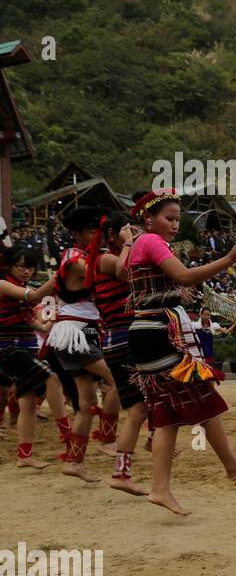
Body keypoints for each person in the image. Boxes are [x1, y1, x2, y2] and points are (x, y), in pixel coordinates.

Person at [126, 189, 236, 515]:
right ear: (148, 219)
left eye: (177, 219)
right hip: (158, 334)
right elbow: (185, 275)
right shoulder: (151, 243)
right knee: (203, 397)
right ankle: (230, 464)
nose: (174, 225)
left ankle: (161, 488)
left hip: (146, 333)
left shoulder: (138, 246)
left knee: (167, 417)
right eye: (168, 218)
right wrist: (229, 258)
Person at [46, 205, 120, 483]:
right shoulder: (75, 257)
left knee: (87, 402)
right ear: (75, 233)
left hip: (80, 331)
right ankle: (108, 439)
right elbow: (99, 270)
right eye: (92, 231)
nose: (97, 236)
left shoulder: (85, 254)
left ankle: (75, 461)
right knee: (118, 382)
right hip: (74, 333)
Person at [91, 210, 150, 495]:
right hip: (122, 340)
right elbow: (123, 272)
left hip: (125, 339)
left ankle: (150, 441)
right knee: (138, 408)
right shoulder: (103, 258)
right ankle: (121, 471)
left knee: (145, 404)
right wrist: (129, 243)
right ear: (112, 235)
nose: (133, 234)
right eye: (126, 231)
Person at [0, 246, 59, 468]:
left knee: (28, 402)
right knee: (49, 377)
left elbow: (41, 325)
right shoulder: (4, 284)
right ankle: (65, 429)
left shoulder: (25, 288)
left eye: (30, 268)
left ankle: (24, 455)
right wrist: (58, 278)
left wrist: (53, 309)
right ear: (9, 266)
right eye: (21, 267)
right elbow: (35, 296)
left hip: (25, 345)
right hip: (7, 346)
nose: (26, 272)